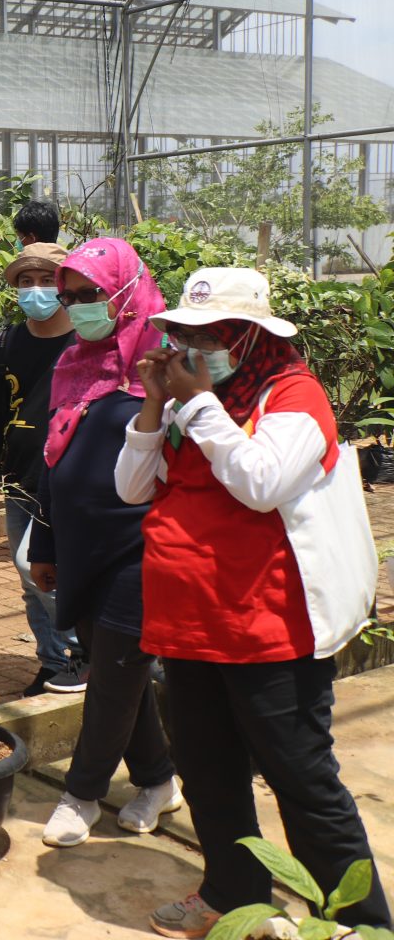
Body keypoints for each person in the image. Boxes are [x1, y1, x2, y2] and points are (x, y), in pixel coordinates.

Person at [115, 268, 392, 939]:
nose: (193, 346)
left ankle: (360, 922)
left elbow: (260, 484)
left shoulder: (294, 398)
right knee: (209, 773)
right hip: (188, 621)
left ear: (249, 337)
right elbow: (130, 487)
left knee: (301, 777)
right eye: (185, 334)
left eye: (212, 335)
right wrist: (155, 405)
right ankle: (232, 893)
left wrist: (201, 404)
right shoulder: (191, 400)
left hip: (268, 625)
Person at [26, 238, 179, 850]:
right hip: (82, 551)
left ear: (124, 290)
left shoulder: (162, 368)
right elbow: (53, 463)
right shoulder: (76, 362)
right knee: (124, 677)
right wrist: (46, 543)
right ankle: (158, 780)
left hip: (140, 553)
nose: (77, 306)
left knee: (112, 678)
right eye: (70, 297)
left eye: (90, 294)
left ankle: (81, 794)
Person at [0, 242, 84, 697]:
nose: (35, 290)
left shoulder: (84, 341)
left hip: (68, 482)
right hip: (22, 481)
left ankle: (86, 650)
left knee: (43, 568)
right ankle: (53, 661)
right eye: (25, 281)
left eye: (45, 280)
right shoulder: (6, 343)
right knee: (30, 578)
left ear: (64, 287)